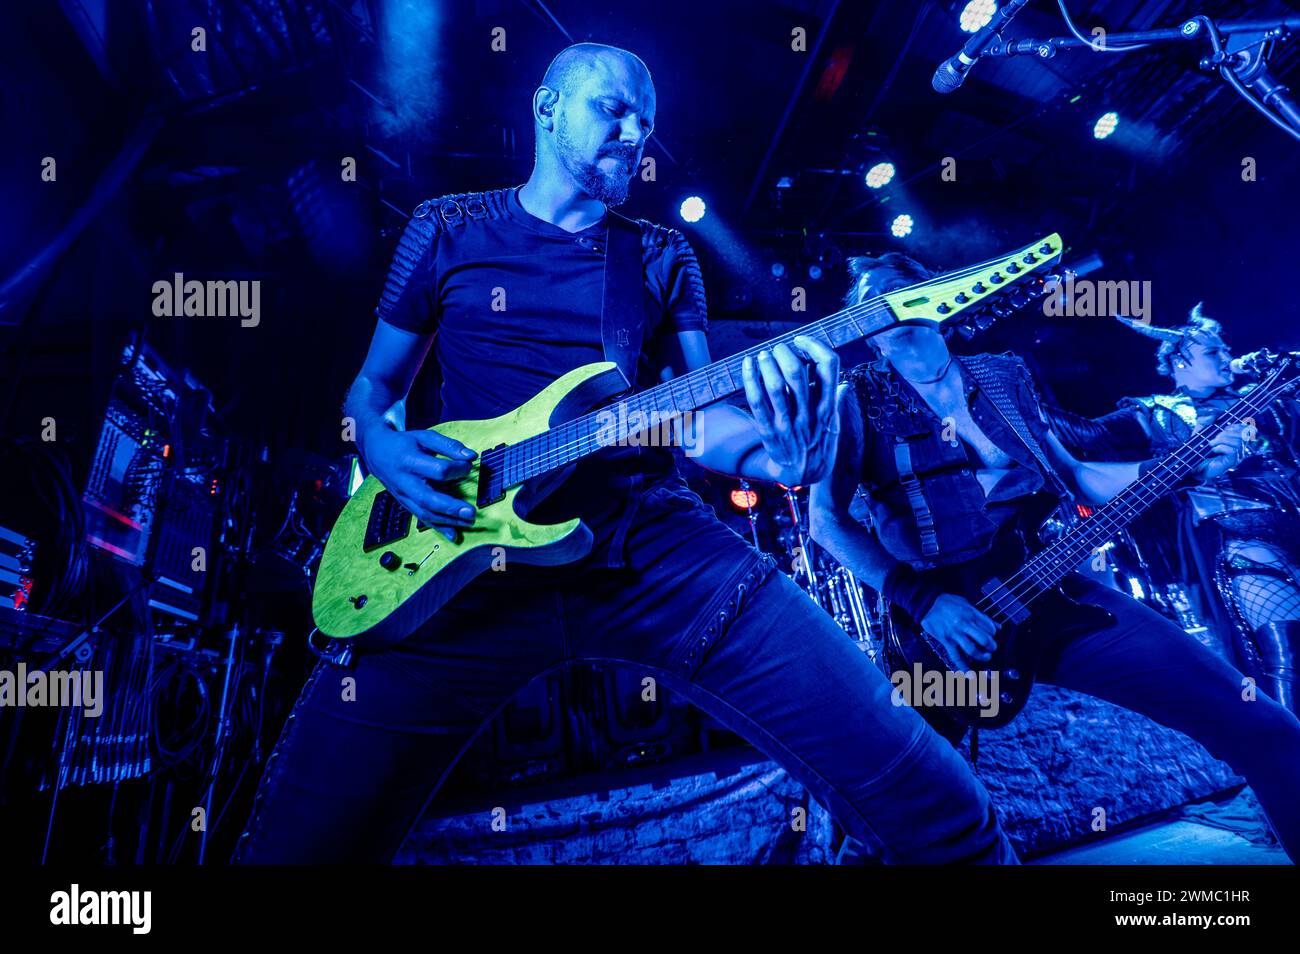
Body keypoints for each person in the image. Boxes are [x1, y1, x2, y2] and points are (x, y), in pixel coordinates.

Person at [233, 45, 1016, 864]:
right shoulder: (447, 227)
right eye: (613, 107)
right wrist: (387, 458)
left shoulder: (659, 253)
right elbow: (370, 394)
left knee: (937, 802)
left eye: (646, 122)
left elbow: (696, 418)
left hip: (650, 544)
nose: (635, 131)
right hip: (456, 556)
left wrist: (781, 456)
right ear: (546, 105)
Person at [809, 253, 1300, 861]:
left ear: (938, 296)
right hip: (942, 629)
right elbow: (825, 523)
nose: (883, 306)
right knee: (888, 813)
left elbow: (1077, 476)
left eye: (896, 291)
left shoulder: (1002, 375)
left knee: (1266, 728)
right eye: (867, 303)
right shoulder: (853, 398)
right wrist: (925, 601)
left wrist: (1177, 466)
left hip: (1053, 590)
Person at [1111, 306, 1300, 714]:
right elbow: (1084, 435)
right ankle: (1289, 756)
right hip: (1242, 535)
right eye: (1213, 351)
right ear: (1180, 362)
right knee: (1286, 655)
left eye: (1225, 347)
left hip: (1293, 519)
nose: (1226, 355)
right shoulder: (1154, 410)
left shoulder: (1270, 397)